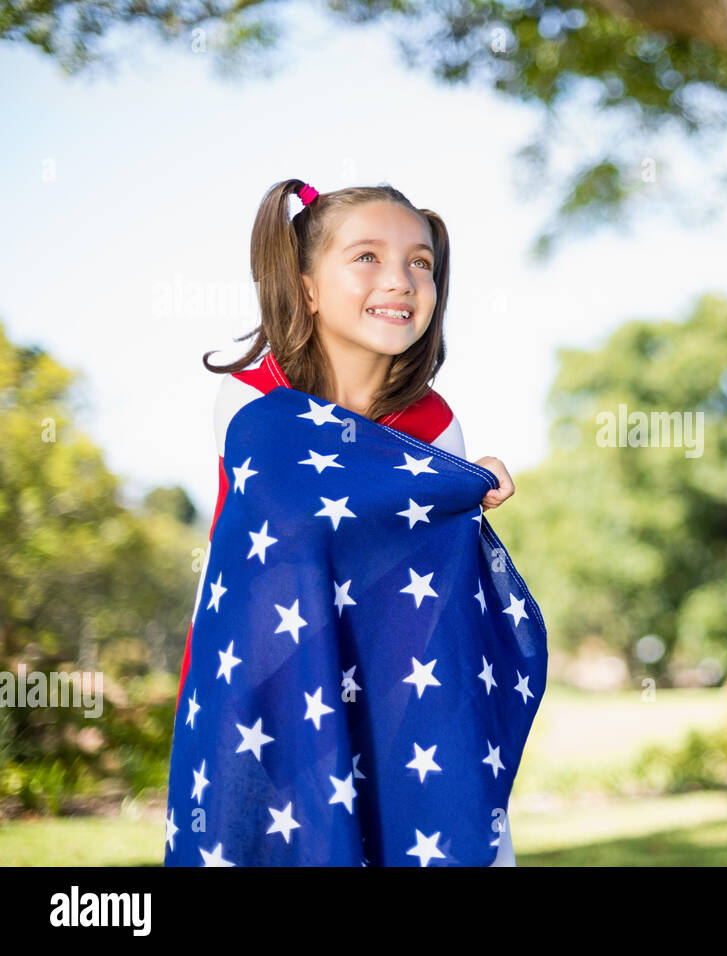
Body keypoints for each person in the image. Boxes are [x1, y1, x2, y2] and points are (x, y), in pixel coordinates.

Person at [170, 180, 529, 866]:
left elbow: (426, 569)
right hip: (267, 685)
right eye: (367, 256)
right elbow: (308, 504)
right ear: (306, 288)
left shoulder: (436, 425)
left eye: (420, 262)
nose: (400, 279)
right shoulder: (253, 401)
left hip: (396, 693)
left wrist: (461, 487)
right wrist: (427, 480)